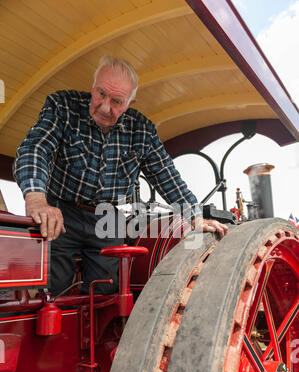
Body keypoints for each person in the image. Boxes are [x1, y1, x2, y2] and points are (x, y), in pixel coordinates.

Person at [14, 56, 228, 297]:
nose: (105, 107)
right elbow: (35, 149)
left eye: (116, 101)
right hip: (62, 211)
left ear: (129, 102)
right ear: (92, 87)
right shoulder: (62, 106)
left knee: (106, 291)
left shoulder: (142, 130)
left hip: (108, 217)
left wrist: (195, 216)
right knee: (53, 290)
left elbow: (166, 176)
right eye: (100, 94)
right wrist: (36, 199)